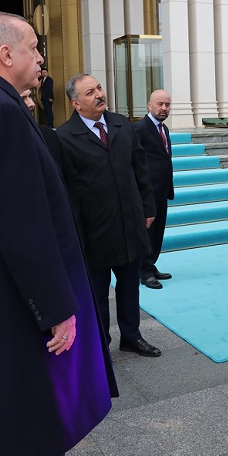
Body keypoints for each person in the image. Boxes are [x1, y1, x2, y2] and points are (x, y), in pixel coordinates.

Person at [0, 12, 116, 456]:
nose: (41, 58)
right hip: (18, 304)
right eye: (34, 48)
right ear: (6, 54)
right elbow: (21, 223)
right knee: (34, 428)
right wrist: (55, 309)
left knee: (9, 430)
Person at [55, 73, 162, 357]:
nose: (99, 94)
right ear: (76, 103)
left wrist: (148, 207)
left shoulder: (121, 124)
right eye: (90, 92)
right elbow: (68, 189)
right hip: (95, 230)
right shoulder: (64, 137)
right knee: (97, 294)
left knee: (129, 287)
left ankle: (131, 336)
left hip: (130, 223)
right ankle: (101, 344)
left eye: (99, 88)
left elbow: (140, 167)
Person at [133, 90, 175, 289]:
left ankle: (151, 264)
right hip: (147, 192)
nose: (164, 108)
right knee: (147, 233)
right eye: (159, 104)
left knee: (158, 232)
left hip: (162, 189)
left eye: (167, 104)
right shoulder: (140, 128)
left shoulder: (164, 129)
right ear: (149, 105)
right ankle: (144, 271)